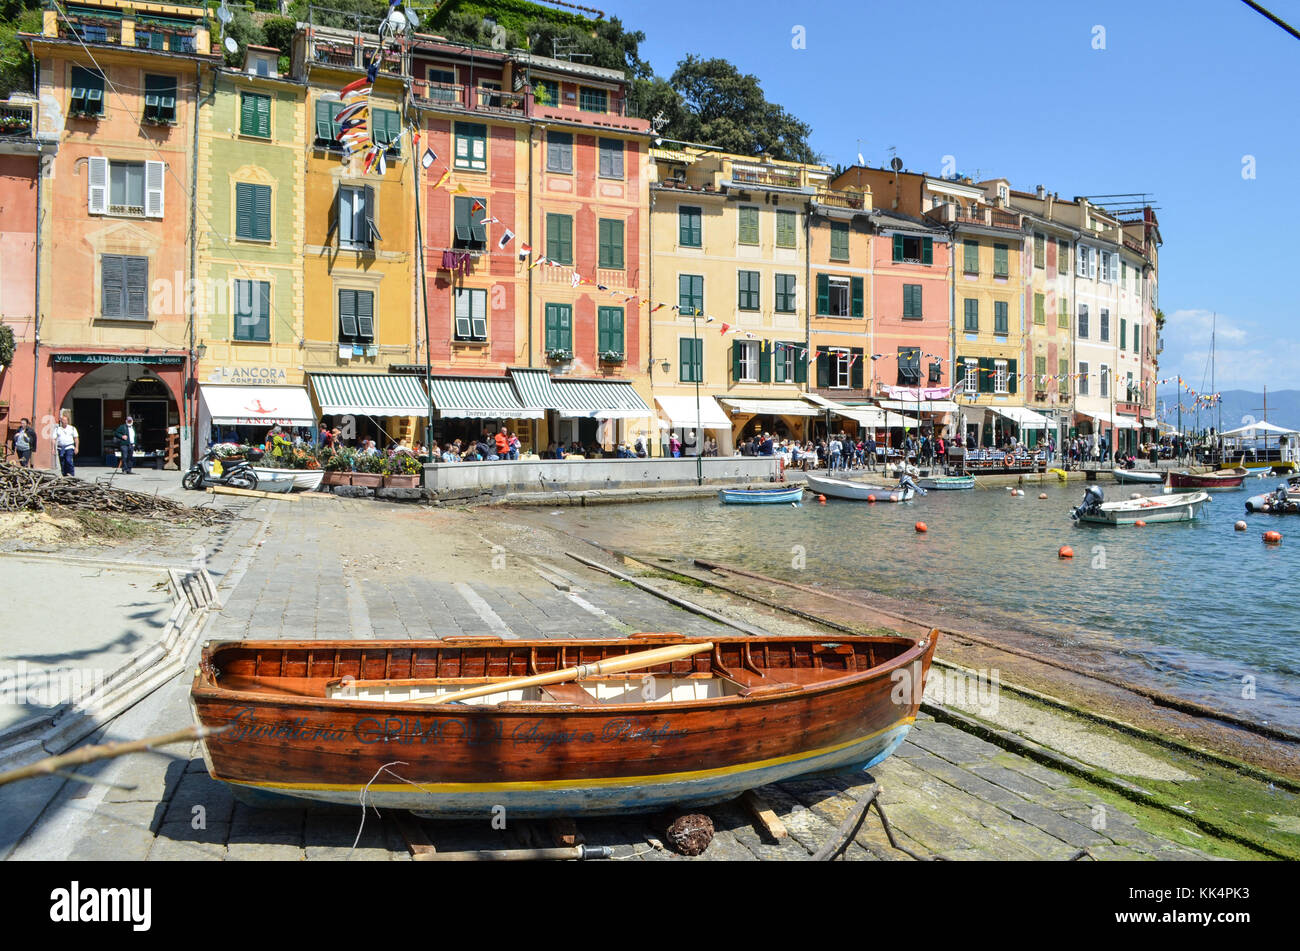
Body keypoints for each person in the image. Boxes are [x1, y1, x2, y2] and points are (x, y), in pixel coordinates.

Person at [53, 411, 79, 476]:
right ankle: (64, 475)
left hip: (69, 447)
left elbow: (76, 438)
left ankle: (71, 474)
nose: (63, 421)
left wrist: (76, 447)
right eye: (62, 420)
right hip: (60, 448)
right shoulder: (57, 429)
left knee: (68, 460)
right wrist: (53, 448)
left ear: (67, 421)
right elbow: (53, 439)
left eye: (64, 420)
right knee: (62, 462)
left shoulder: (72, 428)